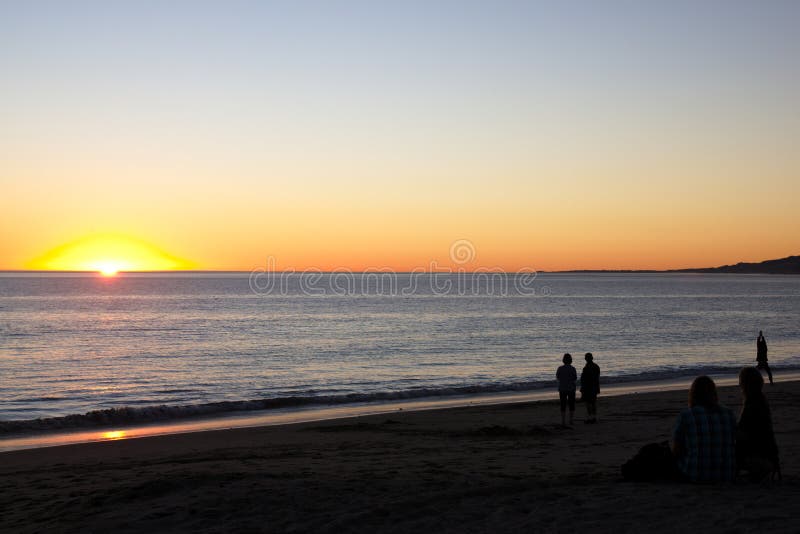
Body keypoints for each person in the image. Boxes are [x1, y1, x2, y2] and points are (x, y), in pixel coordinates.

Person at [671, 376, 736, 483]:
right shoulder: (728, 413)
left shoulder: (686, 415)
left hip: (695, 474)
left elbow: (677, 450)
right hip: (726, 474)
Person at [737, 367, 780, 481]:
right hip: (770, 458)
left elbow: (741, 433)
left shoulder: (751, 406)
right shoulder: (761, 400)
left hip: (759, 459)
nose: (739, 384)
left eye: (741, 381)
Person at [556, 353, 577, 426]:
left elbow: (558, 377)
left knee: (563, 405)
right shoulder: (573, 368)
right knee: (571, 404)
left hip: (562, 388)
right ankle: (571, 420)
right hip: (571, 388)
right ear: (571, 360)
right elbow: (575, 378)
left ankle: (563, 421)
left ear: (563, 360)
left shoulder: (560, 368)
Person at [580, 352, 600, 424]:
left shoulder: (586, 368)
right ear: (592, 358)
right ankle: (594, 417)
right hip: (594, 387)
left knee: (588, 403)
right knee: (593, 402)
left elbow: (583, 379)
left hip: (588, 387)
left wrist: (582, 389)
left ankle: (590, 418)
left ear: (586, 359)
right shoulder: (596, 366)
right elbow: (597, 377)